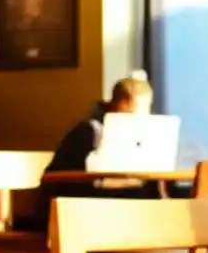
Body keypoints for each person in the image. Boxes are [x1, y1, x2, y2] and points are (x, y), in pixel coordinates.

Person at [27, 75, 155, 231]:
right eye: (131, 114)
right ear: (118, 104)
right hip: (77, 207)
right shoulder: (88, 132)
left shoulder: (140, 135)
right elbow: (70, 182)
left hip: (110, 204)